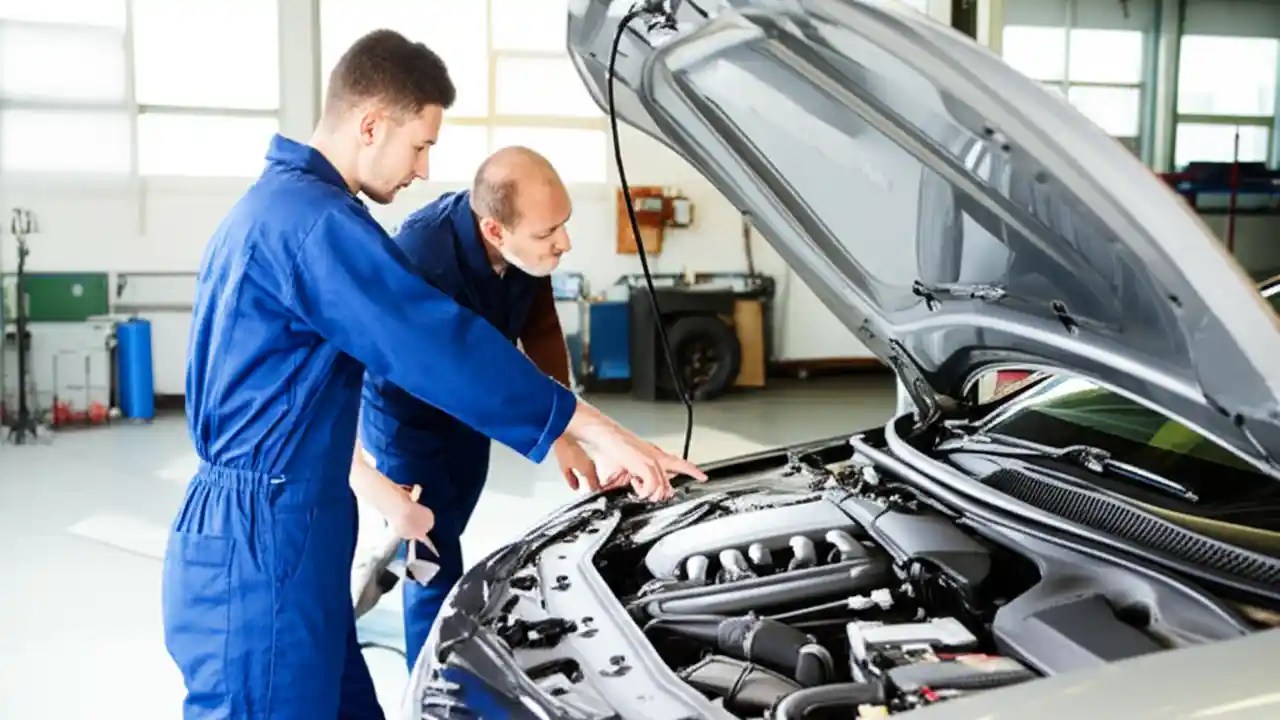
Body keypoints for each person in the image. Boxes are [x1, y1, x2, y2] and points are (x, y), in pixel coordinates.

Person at [162, 29, 704, 720]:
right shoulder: (313, 225)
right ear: (370, 126)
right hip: (261, 542)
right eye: (419, 146)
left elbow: (297, 405)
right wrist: (598, 432)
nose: (423, 170)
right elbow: (437, 343)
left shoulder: (289, 211)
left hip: (296, 524)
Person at [355, 147, 602, 670]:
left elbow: (539, 326)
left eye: (564, 224)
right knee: (434, 559)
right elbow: (437, 372)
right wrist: (556, 432)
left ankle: (400, 559)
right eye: (548, 233)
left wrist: (567, 433)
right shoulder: (421, 256)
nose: (564, 242)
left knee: (451, 525)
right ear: (494, 230)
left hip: (470, 417)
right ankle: (434, 685)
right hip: (407, 419)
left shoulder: (523, 247)